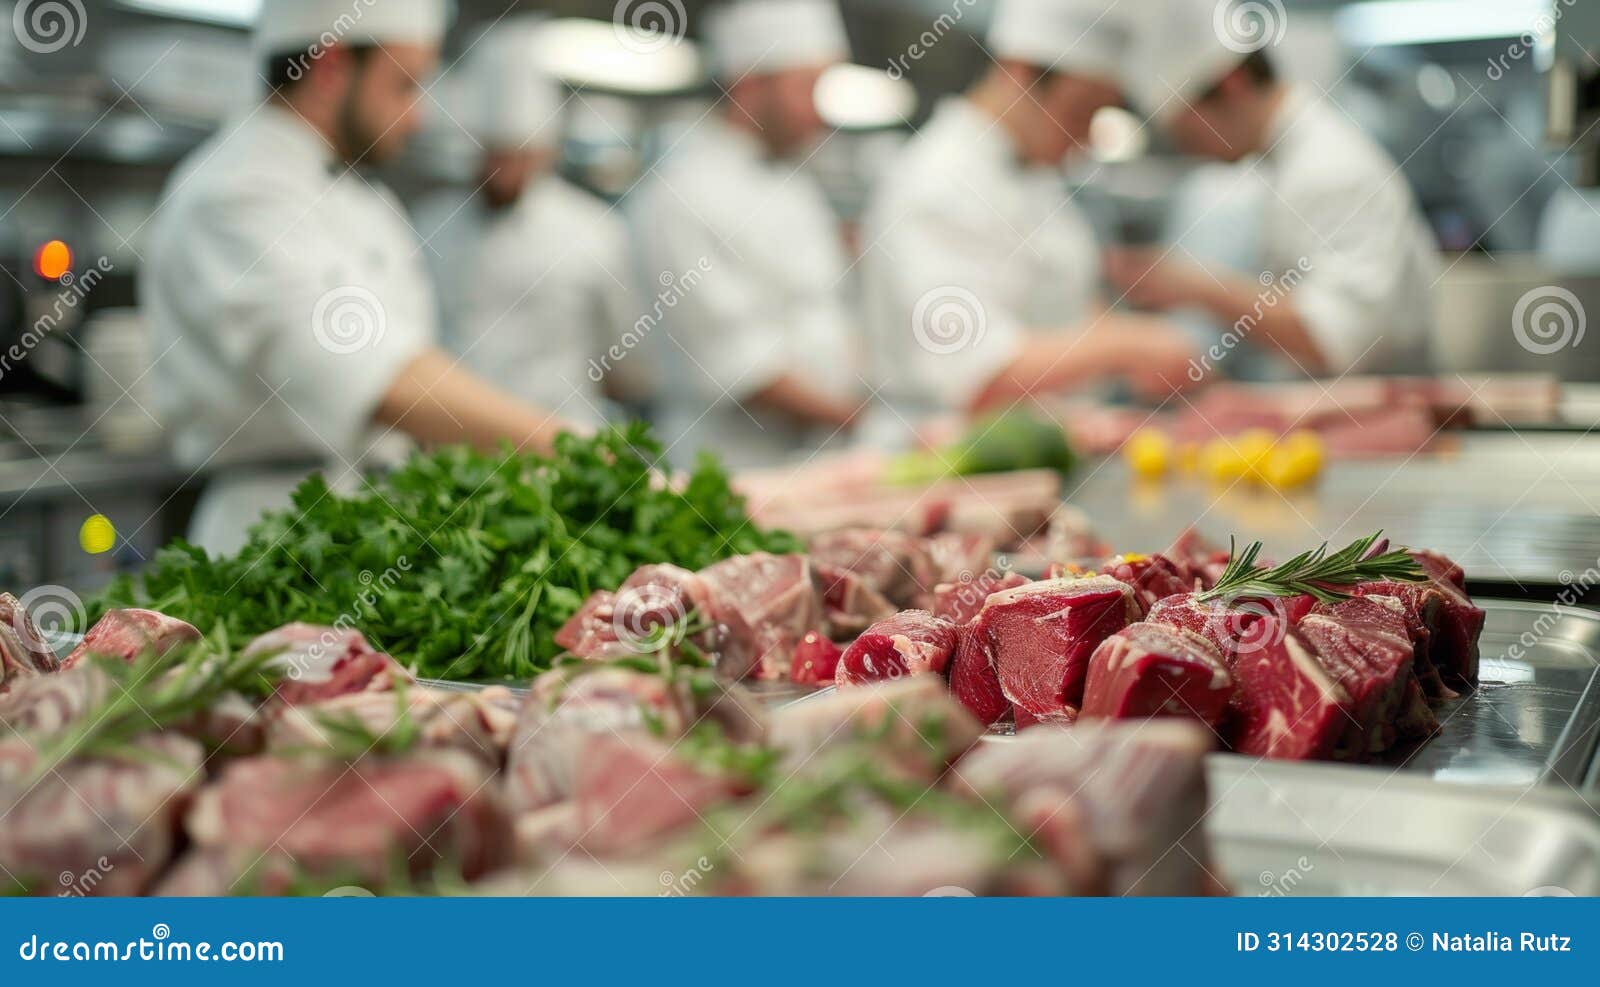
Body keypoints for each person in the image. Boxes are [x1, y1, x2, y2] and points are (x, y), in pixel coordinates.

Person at [143, 0, 575, 555]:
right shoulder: (233, 192)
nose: (417, 117)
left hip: (377, 523)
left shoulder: (368, 201)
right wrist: (570, 448)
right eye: (404, 85)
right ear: (330, 68)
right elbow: (379, 379)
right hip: (274, 537)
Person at [861, 0, 1198, 424]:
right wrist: (1128, 344)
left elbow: (1074, 308)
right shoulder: (937, 181)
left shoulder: (1037, 178)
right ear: (1020, 73)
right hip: (944, 452)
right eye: (1079, 111)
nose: (1085, 138)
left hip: (1051, 436)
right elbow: (978, 376)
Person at [1107, 0, 1440, 378]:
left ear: (1232, 84)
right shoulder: (1283, 163)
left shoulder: (1329, 169)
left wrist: (1198, 288)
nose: (1187, 147)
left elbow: (1341, 337)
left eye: (1184, 127)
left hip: (1380, 404)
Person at [630, 0, 862, 469]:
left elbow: (829, 312)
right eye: (807, 88)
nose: (820, 113)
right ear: (749, 86)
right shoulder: (681, 194)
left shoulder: (796, 186)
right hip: (728, 466)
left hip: (817, 457)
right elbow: (741, 367)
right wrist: (860, 419)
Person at [416, 23, 639, 426]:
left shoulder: (593, 231)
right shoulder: (429, 225)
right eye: (492, 154)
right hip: (454, 433)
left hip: (562, 434)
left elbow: (626, 356)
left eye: (517, 155)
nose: (502, 171)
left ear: (544, 151)